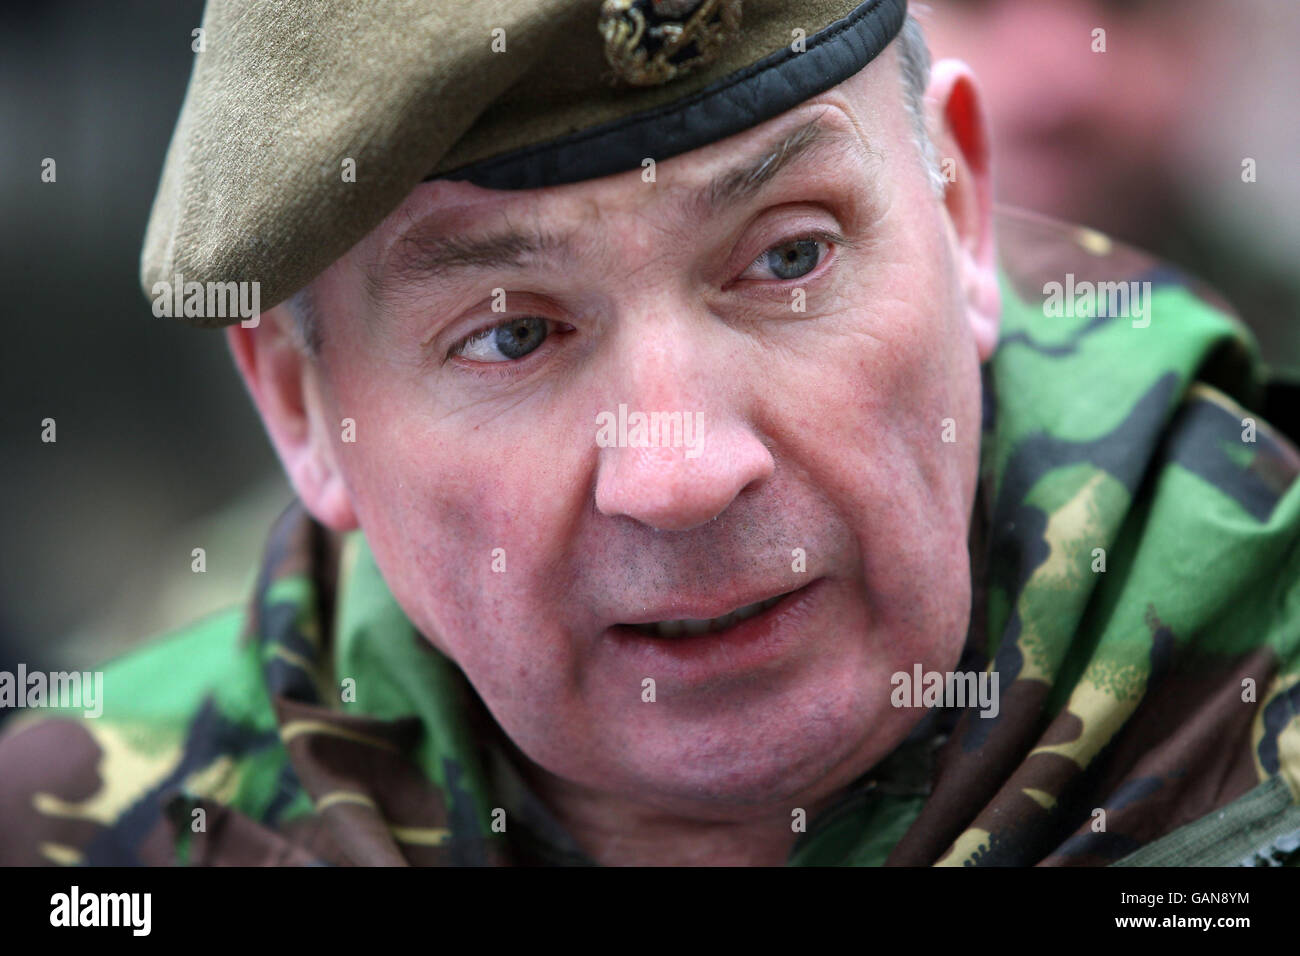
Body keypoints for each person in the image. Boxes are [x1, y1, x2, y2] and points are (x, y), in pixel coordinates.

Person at [1, 0, 1298, 867]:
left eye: (789, 257)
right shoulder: (89, 829)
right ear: (303, 408)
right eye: (512, 334)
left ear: (960, 217)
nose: (681, 474)